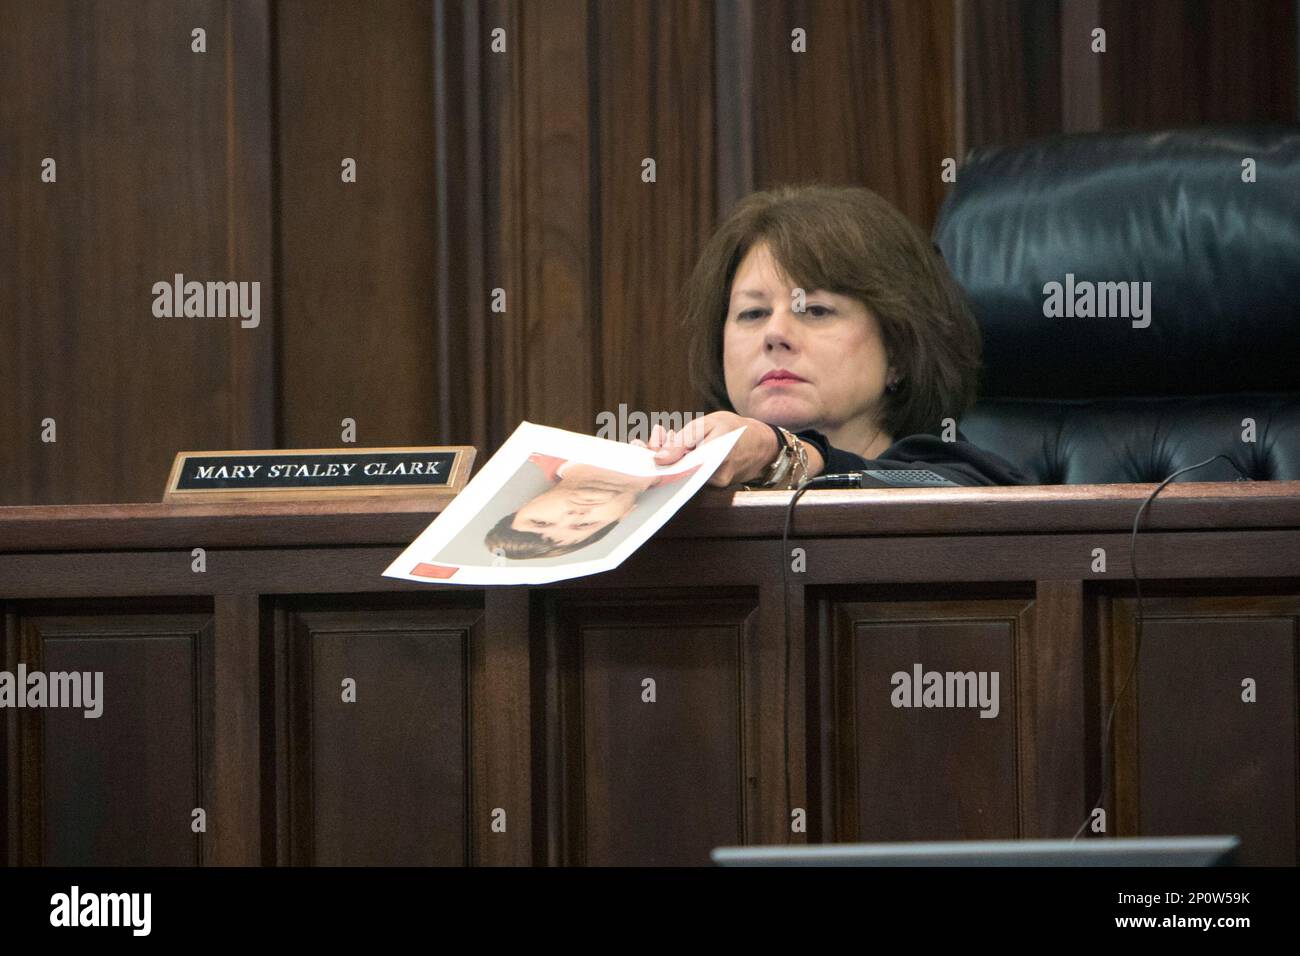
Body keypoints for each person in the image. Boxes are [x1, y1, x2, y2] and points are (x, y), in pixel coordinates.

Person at [635, 184, 1031, 488]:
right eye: (752, 313)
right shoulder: (695, 503)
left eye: (816, 311)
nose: (774, 334)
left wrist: (782, 457)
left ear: (898, 352)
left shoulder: (967, 481)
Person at [484, 453, 699, 559]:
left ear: (521, 507)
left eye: (542, 521)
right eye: (583, 525)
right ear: (624, 516)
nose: (575, 514)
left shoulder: (528, 453)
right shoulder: (698, 474)